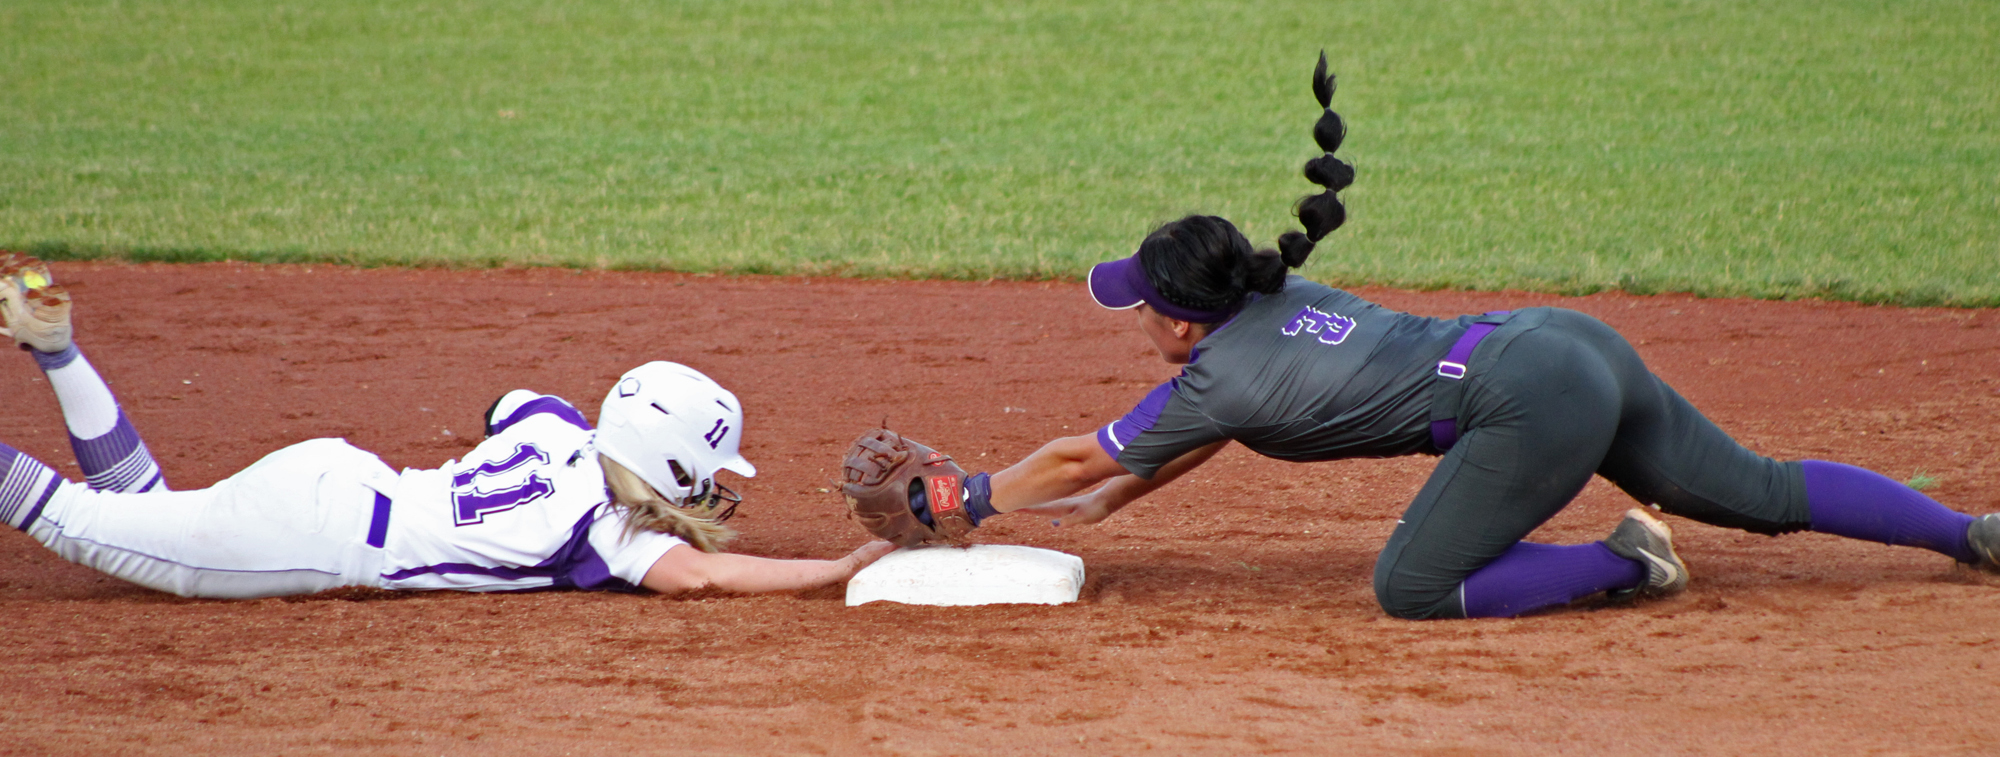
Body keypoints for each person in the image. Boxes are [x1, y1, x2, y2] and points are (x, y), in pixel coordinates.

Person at [924, 60, 2000, 619]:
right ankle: (1970, 534)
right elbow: (1213, 426)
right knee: (1757, 489)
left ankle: (1623, 561)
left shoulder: (1217, 377)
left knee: (1413, 587)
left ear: (1177, 318)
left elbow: (1084, 453)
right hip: (1561, 344)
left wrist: (964, 498)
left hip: (1523, 403)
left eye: (1137, 307)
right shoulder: (1274, 296)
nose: (1133, 321)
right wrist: (1117, 500)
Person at [0, 254, 892, 599]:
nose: (711, 486)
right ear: (666, 459)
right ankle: (56, 354)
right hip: (312, 536)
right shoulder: (607, 532)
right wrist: (838, 567)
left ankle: (56, 349)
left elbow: (509, 403)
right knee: (82, 524)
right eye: (705, 466)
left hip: (330, 475)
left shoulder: (555, 421)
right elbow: (702, 573)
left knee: (141, 510)